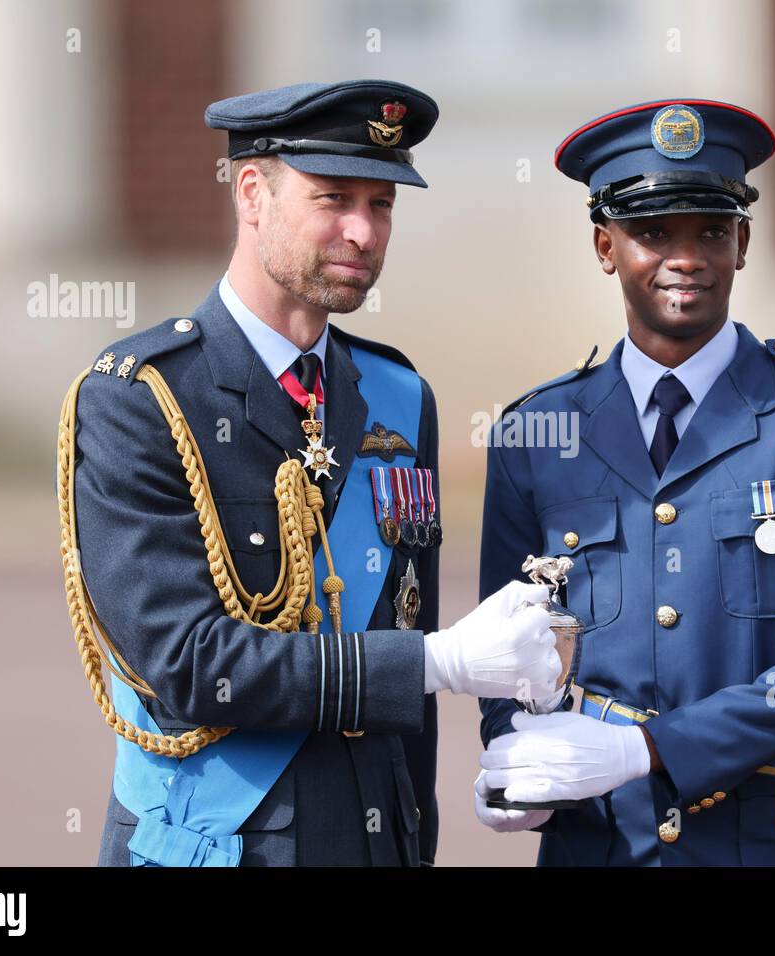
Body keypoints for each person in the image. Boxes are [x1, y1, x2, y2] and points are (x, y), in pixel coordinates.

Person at [57, 79, 560, 868]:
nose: (363, 231)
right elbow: (187, 666)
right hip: (219, 846)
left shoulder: (398, 395)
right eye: (333, 198)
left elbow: (404, 633)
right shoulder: (140, 398)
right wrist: (438, 663)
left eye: (382, 203)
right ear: (252, 193)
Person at [474, 99, 775, 865]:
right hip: (598, 837)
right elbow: (511, 646)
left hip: (773, 835)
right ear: (606, 246)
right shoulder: (536, 431)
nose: (687, 256)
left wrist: (649, 749)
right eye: (653, 232)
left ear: (743, 241)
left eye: (711, 231)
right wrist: (512, 756)